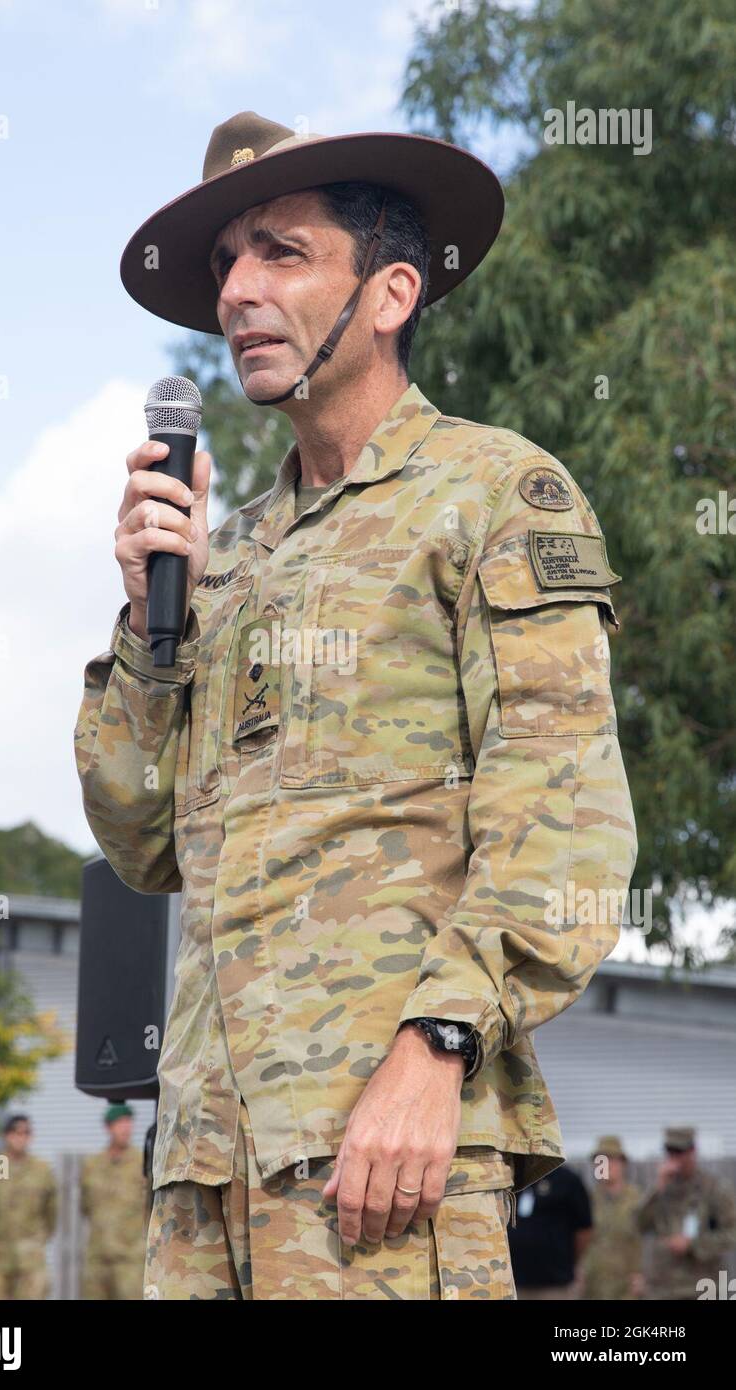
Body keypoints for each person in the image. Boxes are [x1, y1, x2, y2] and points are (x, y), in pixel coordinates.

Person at [75, 109, 637, 1300]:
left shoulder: (496, 494)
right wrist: (144, 626)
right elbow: (136, 838)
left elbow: (563, 815)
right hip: (202, 1185)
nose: (235, 289)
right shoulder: (217, 560)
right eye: (226, 261)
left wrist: (436, 1049)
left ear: (388, 293)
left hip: (383, 1177)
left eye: (279, 251)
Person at [637, 1126, 736, 1301]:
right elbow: (639, 1224)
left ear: (693, 1151)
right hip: (662, 1290)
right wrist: (657, 1188)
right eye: (671, 1151)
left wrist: (693, 1244)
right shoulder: (660, 1190)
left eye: (680, 1151)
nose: (676, 1158)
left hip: (702, 1288)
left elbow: (732, 1234)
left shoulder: (714, 1189)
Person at [0, 1114, 57, 1299]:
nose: (20, 1137)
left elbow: (51, 1212)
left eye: (25, 1133)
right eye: (15, 1132)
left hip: (30, 1257)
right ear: (6, 1136)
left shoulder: (42, 1170)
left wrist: (38, 1238)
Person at [80, 1103, 148, 1300]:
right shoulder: (92, 1165)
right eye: (120, 1123)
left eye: (129, 1122)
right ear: (108, 1127)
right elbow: (85, 1206)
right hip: (98, 1257)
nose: (126, 1128)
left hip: (130, 1259)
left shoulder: (142, 1162)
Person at [508, 1166, 593, 1299]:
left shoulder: (567, 1180)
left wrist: (570, 1261)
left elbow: (584, 1230)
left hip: (555, 1286)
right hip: (514, 1283)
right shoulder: (511, 1178)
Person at [578, 1135, 642, 1300]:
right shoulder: (588, 1201)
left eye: (610, 1160)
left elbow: (647, 1239)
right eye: (599, 1161)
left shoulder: (637, 1200)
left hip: (627, 1287)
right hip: (594, 1287)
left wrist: (643, 1273)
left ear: (622, 1163)